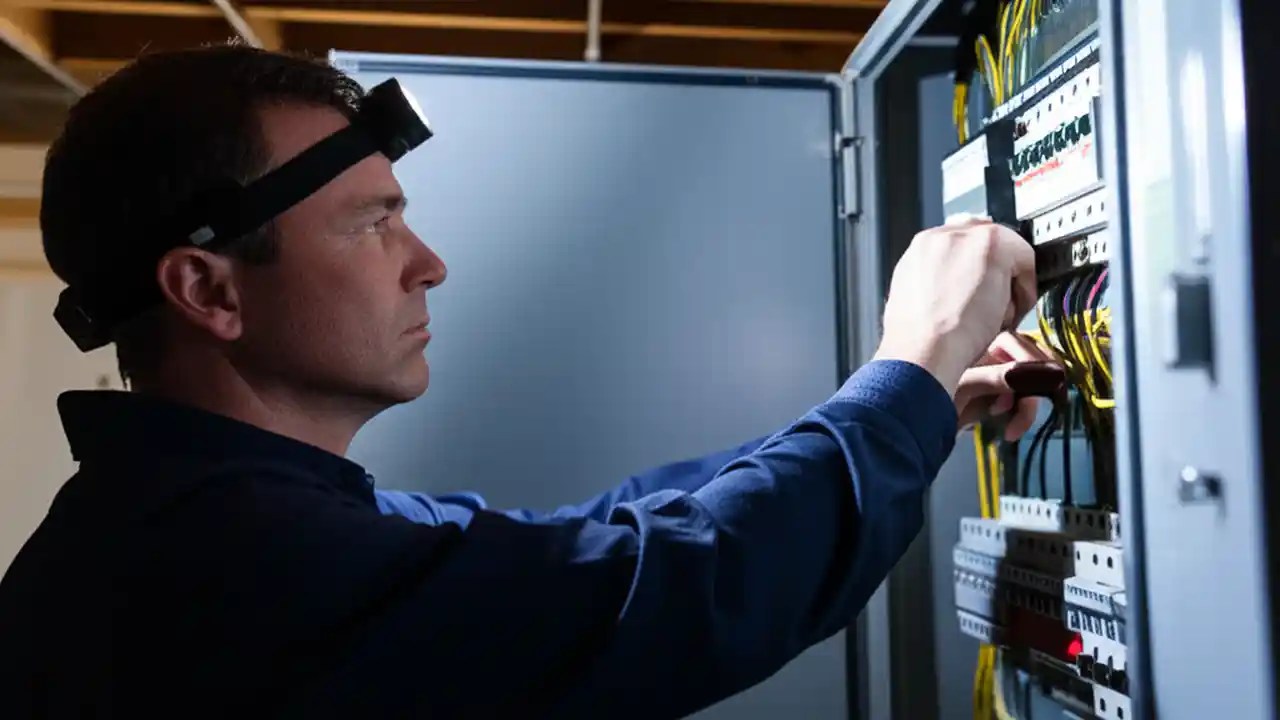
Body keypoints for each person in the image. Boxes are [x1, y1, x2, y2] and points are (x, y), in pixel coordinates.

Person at [0, 45, 1048, 719]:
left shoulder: (209, 517)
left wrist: (912, 402)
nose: (427, 262)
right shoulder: (224, 565)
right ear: (207, 290)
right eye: (372, 225)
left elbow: (595, 543)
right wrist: (911, 358)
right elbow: (670, 590)